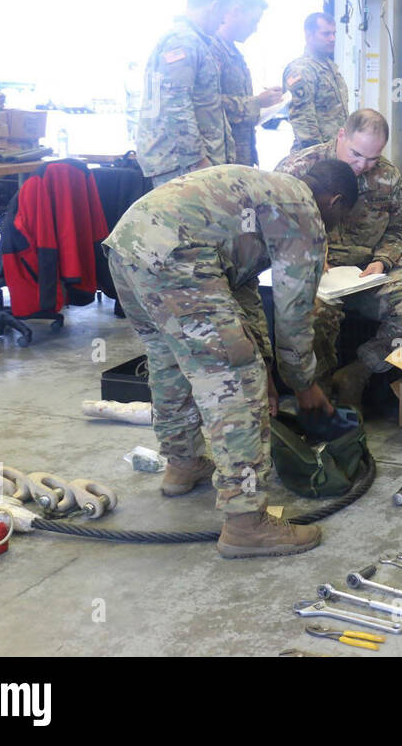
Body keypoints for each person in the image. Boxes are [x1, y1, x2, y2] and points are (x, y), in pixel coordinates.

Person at [104, 161, 357, 558]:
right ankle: (245, 523)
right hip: (179, 257)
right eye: (339, 220)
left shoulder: (266, 190)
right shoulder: (304, 213)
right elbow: (294, 314)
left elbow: (241, 293)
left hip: (129, 245)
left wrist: (265, 364)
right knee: (234, 383)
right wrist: (303, 385)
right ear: (335, 201)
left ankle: (183, 464)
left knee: (169, 358)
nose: (335, 231)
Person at [276, 109, 402, 410]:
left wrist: (382, 262)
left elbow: (400, 231)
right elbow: (274, 231)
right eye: (356, 154)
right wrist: (312, 258)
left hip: (367, 274)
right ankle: (321, 396)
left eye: (372, 158)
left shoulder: (389, 177)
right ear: (342, 135)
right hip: (314, 273)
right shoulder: (298, 169)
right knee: (311, 314)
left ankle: (358, 372)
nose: (362, 165)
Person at [136, 0, 235, 186]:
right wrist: (196, 161)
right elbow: (175, 105)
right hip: (182, 164)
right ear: (214, 7)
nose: (224, 21)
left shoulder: (194, 41)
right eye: (223, 14)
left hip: (186, 162)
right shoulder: (184, 41)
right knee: (186, 221)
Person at [214, 0, 284, 167]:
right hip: (221, 159)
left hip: (240, 155)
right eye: (254, 21)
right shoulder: (212, 50)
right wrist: (257, 102)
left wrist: (263, 101)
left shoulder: (233, 52)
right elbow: (209, 104)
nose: (255, 28)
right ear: (236, 11)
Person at [283, 12, 349, 153]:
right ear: (309, 35)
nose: (332, 39)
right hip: (316, 156)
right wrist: (318, 156)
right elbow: (303, 121)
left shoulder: (329, 66)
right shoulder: (302, 70)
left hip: (335, 150)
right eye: (325, 34)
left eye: (334, 34)